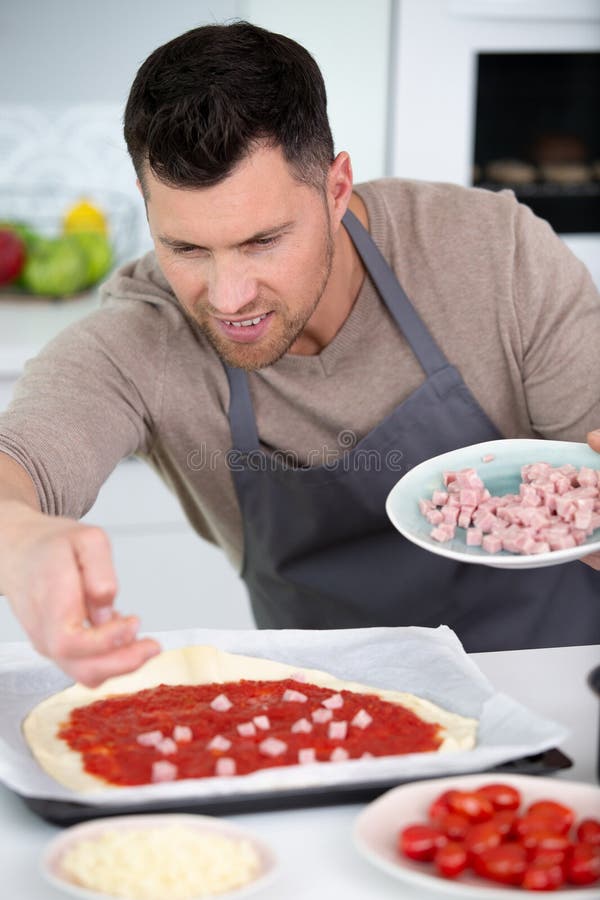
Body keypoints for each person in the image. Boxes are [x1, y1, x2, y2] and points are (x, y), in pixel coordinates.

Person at [0, 22, 599, 688]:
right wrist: (18, 541)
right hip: (335, 712)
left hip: (565, 679)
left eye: (263, 242)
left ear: (337, 189)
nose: (228, 297)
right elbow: (19, 461)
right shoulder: (143, 336)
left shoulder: (494, 253)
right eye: (188, 249)